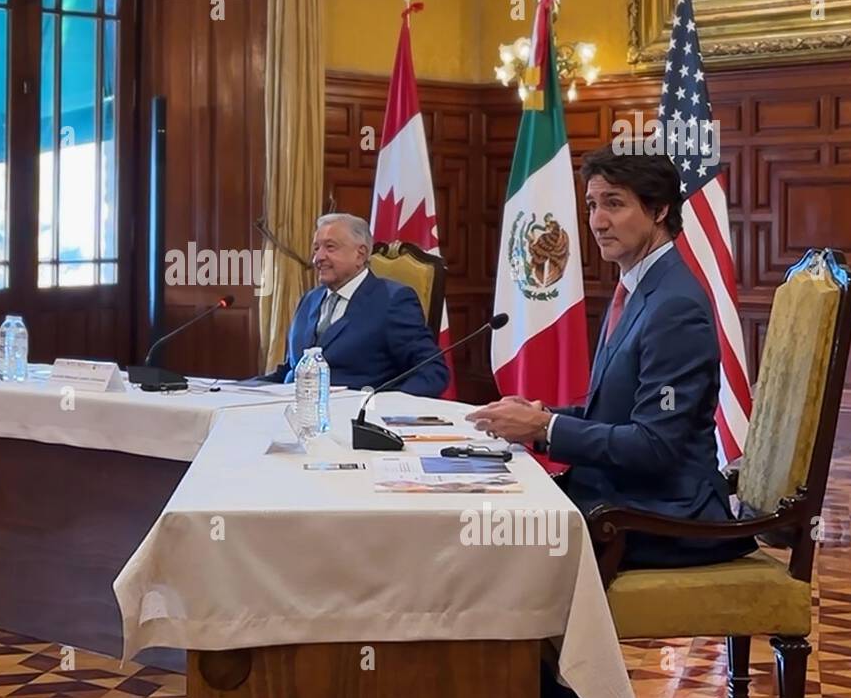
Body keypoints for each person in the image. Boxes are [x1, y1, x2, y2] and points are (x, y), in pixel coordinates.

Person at [467, 146, 756, 570]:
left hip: (659, 517)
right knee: (480, 514)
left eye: (614, 204)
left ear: (659, 211)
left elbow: (655, 445)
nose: (597, 221)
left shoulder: (676, 305)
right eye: (591, 205)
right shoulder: (637, 288)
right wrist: (540, 417)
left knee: (483, 533)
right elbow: (617, 411)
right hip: (618, 499)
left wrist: (546, 427)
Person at [258, 213, 448, 397]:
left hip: (350, 419)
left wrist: (380, 406)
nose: (318, 258)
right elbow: (290, 369)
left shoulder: (393, 301)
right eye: (316, 248)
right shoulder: (309, 299)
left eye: (330, 247)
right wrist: (239, 389)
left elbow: (432, 372)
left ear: (360, 254)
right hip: (290, 412)